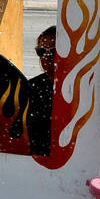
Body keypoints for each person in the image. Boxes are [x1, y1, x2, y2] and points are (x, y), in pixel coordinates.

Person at [27, 25, 55, 157]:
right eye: (41, 51)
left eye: (53, 51)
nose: (47, 56)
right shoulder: (31, 87)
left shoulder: (76, 88)